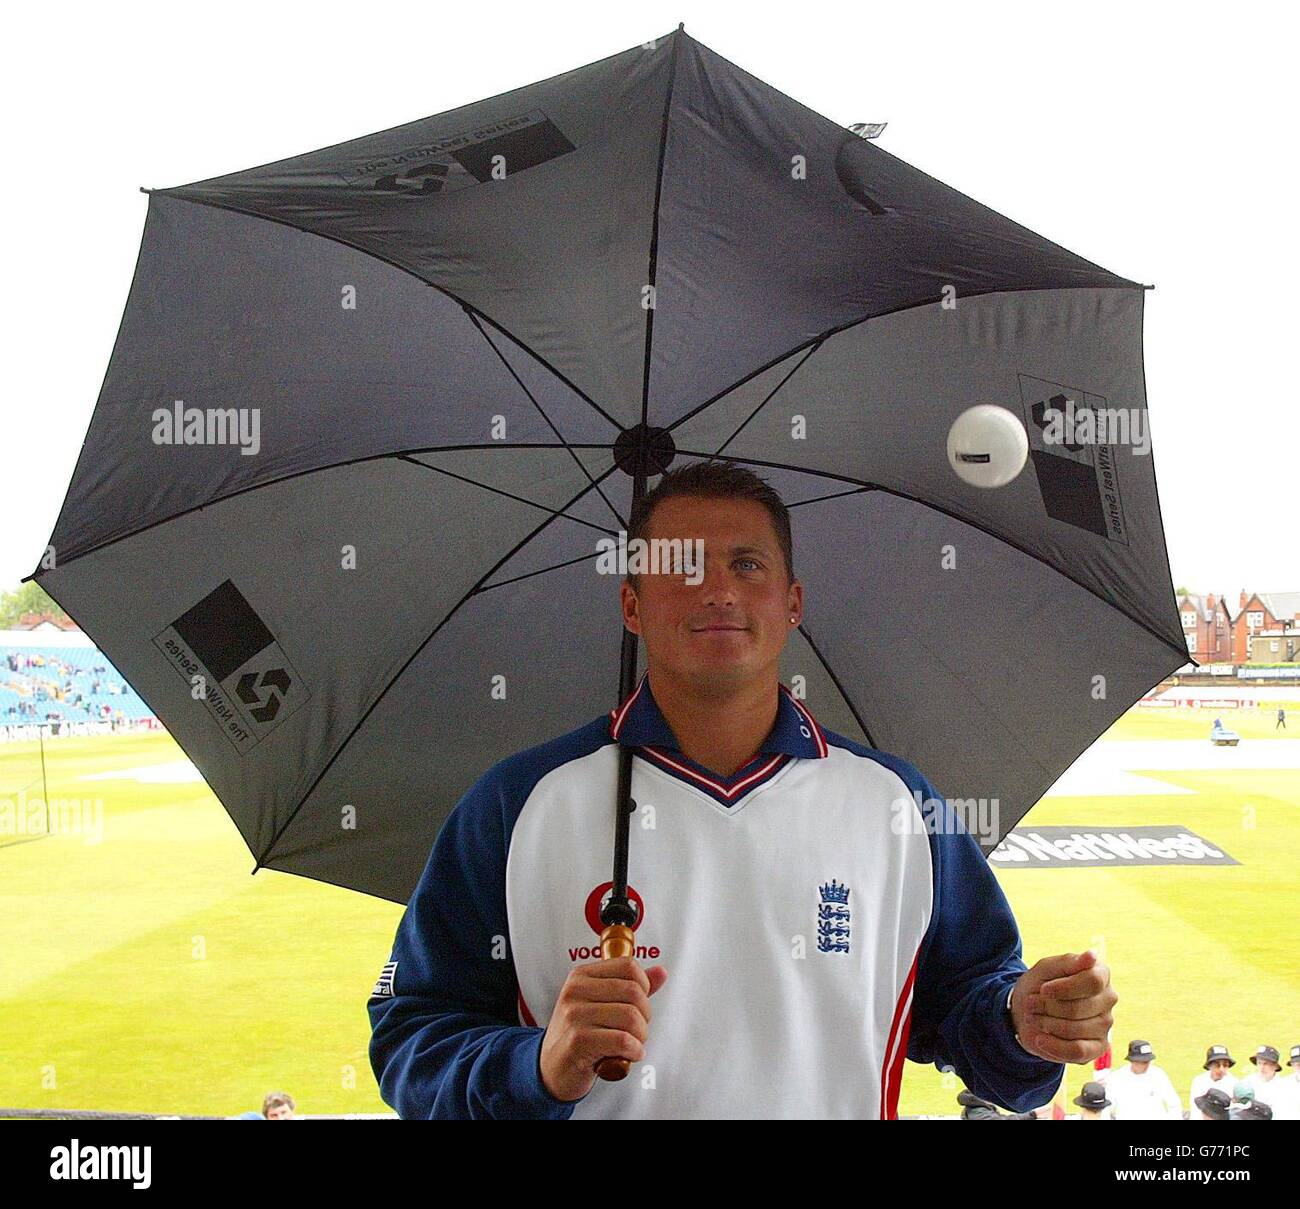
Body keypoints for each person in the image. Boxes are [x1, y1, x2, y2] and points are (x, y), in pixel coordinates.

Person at [367, 461, 1117, 1119]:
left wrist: (1027, 1019)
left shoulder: (896, 803)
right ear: (632, 606)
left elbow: (974, 1012)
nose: (718, 589)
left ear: (791, 603)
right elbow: (410, 1038)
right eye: (684, 565)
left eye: (747, 565)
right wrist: (536, 1066)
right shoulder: (517, 802)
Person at [1104, 1040, 1182, 1120]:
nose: (1148, 1065)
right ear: (1133, 1061)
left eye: (1148, 1061)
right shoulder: (1117, 1078)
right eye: (1144, 1062)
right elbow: (1106, 1109)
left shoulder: (1158, 1075)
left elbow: (1174, 1103)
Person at [1189, 1044, 1236, 1116]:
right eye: (1217, 1065)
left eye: (1225, 1065)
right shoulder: (1199, 1082)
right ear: (1209, 1065)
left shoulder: (1234, 1083)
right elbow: (1195, 1110)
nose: (1221, 1069)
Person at [1244, 1044, 1285, 1115]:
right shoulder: (1247, 1083)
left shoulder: (1285, 1086)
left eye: (1266, 1064)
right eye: (1259, 1063)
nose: (1261, 1067)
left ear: (1275, 1066)